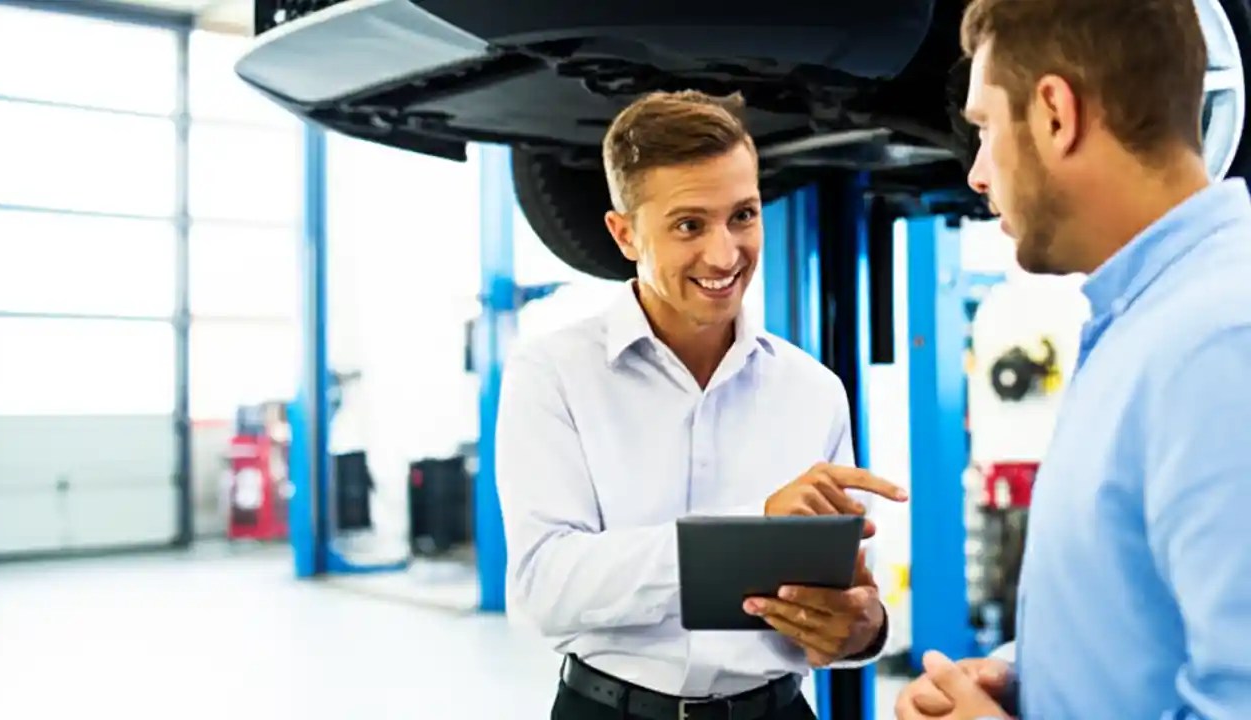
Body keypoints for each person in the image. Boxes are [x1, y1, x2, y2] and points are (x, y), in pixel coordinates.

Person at [495, 89, 908, 720]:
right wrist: (753, 532)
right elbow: (544, 588)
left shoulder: (813, 390)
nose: (724, 254)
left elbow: (846, 594)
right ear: (625, 233)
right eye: (690, 224)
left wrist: (863, 629)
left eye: (742, 216)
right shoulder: (552, 375)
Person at [896, 0, 1251, 718]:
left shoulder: (1219, 341)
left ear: (1056, 114)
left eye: (987, 128)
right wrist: (1026, 679)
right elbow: (1154, 617)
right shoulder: (1151, 316)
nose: (978, 173)